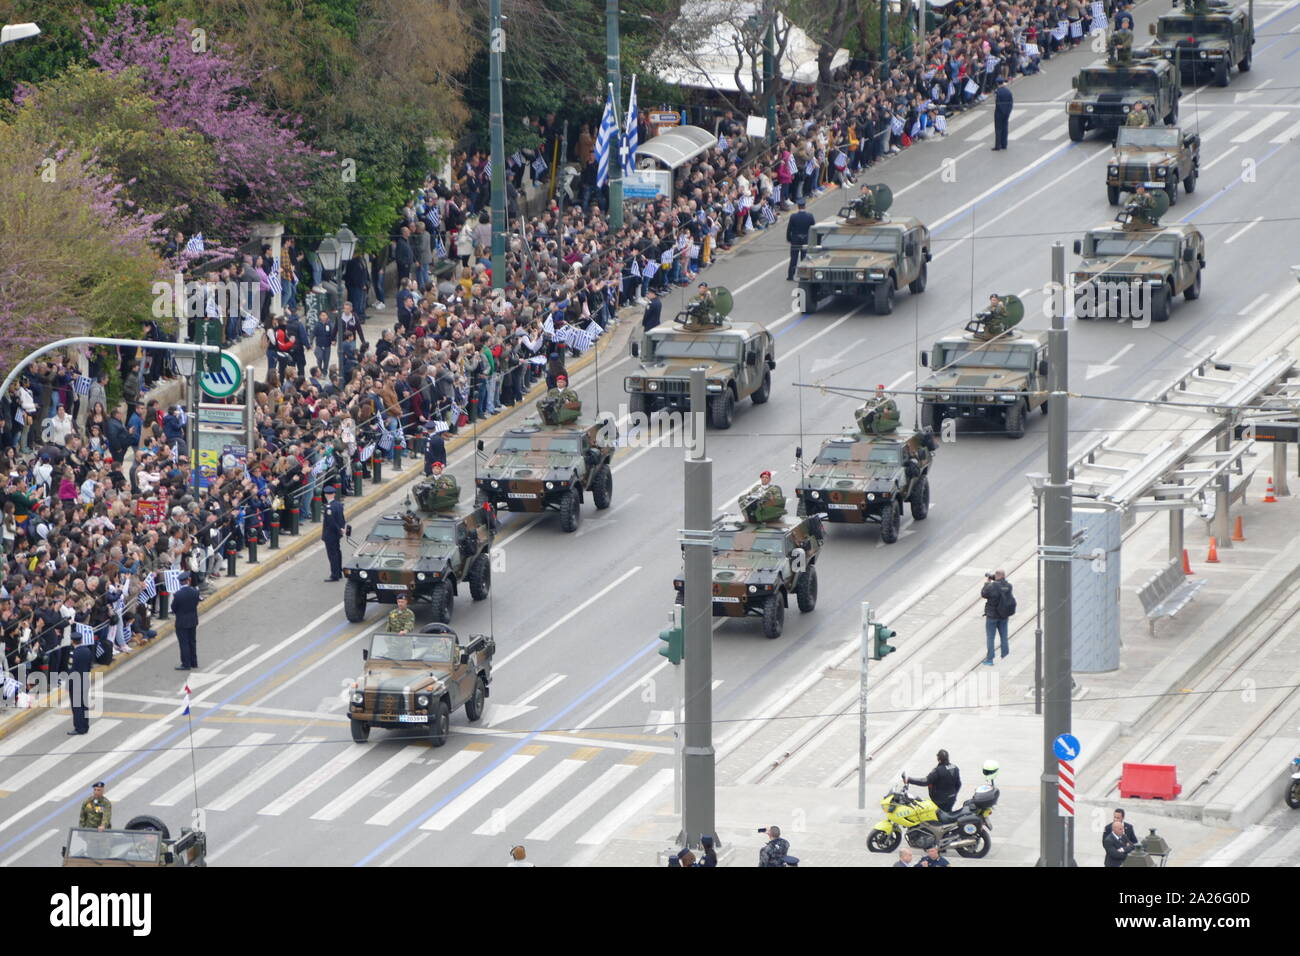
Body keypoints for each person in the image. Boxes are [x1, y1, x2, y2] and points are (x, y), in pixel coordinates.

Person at [981, 569, 1014, 664]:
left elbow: (984, 594)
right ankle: (1006, 656)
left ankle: (990, 659)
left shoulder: (992, 586)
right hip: (1004, 616)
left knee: (990, 637)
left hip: (992, 616)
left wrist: (987, 583)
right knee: (1004, 636)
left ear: (997, 576)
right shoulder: (1008, 586)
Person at [171, 571, 200, 671]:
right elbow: (196, 603)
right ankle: (194, 662)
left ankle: (186, 663)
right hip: (193, 620)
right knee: (192, 641)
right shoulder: (195, 592)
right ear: (188, 580)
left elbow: (173, 608)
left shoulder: (178, 595)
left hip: (182, 622)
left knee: (184, 643)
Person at [68, 633, 95, 735]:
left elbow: (70, 668)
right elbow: (89, 666)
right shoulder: (87, 650)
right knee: (84, 704)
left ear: (72, 641)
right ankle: (85, 726)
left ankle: (79, 728)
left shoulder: (73, 653)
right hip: (84, 679)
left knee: (77, 706)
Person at [785, 198, 816, 281]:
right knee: (804, 258)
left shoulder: (793, 216)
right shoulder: (810, 216)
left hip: (795, 239)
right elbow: (813, 228)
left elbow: (789, 229)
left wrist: (789, 238)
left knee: (793, 258)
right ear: (805, 206)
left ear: (798, 207)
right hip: (806, 239)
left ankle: (791, 276)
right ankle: (804, 276)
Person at [323, 487, 349, 582]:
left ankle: (335, 574)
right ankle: (338, 572)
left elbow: (331, 522)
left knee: (332, 555)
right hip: (337, 534)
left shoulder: (329, 507)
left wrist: (339, 529)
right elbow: (342, 519)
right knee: (337, 552)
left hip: (330, 534)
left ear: (326, 495)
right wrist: (342, 528)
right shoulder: (338, 505)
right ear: (334, 494)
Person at [992, 77, 1013, 150]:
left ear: (997, 83)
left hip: (999, 113)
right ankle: (1004, 144)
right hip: (1007, 112)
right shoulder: (1008, 91)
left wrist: (1000, 111)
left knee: (998, 129)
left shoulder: (997, 92)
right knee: (1005, 128)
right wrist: (1008, 111)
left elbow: (997, 103)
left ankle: (998, 145)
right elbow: (1011, 103)